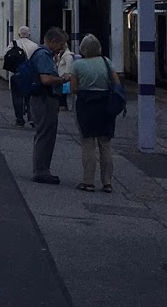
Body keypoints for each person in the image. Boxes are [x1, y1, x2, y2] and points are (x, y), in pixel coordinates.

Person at [70, 34, 122, 192]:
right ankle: (107, 183)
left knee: (88, 143)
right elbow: (117, 83)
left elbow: (73, 89)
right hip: (106, 106)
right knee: (105, 144)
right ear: (99, 48)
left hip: (86, 106)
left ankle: (88, 181)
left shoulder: (77, 66)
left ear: (83, 49)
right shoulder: (107, 62)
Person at [28, 28, 70, 185]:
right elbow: (46, 79)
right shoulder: (44, 55)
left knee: (43, 134)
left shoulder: (40, 53)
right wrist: (63, 79)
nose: (62, 48)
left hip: (40, 99)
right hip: (45, 100)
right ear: (53, 41)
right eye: (61, 44)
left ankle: (41, 169)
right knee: (46, 134)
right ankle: (41, 171)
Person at [4, 26, 38, 128]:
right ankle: (32, 118)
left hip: (17, 74)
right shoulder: (35, 46)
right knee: (30, 97)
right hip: (31, 75)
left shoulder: (14, 44)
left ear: (19, 34)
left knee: (17, 97)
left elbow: (5, 55)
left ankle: (19, 120)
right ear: (29, 34)